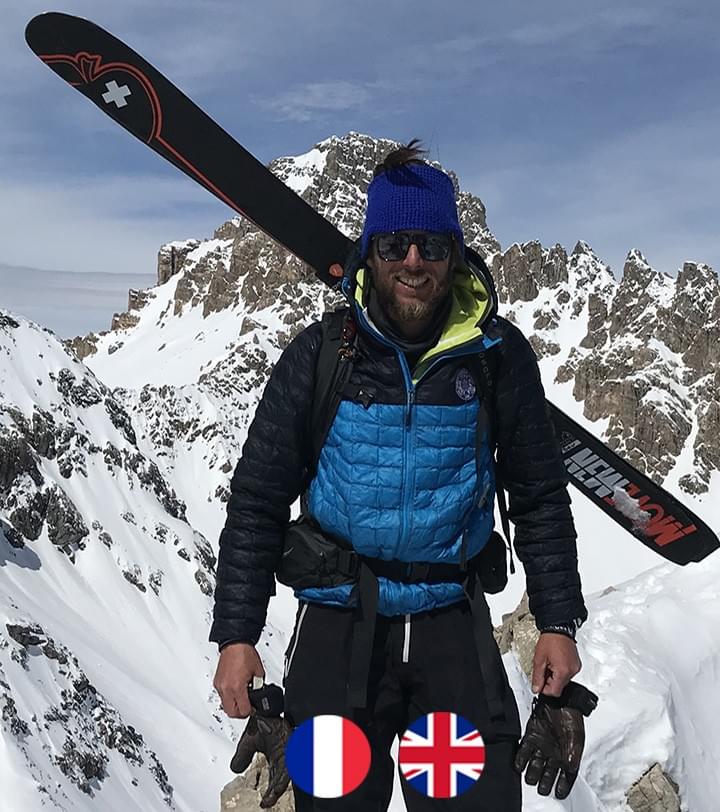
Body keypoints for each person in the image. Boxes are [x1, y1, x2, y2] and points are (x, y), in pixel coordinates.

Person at [211, 141, 588, 810]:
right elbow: (259, 499)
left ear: (455, 254)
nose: (413, 262)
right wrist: (238, 634)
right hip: (337, 629)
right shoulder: (322, 355)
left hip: (449, 626)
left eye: (431, 246)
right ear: (370, 253)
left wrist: (557, 621)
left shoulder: (496, 360)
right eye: (394, 245)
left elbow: (538, 495)